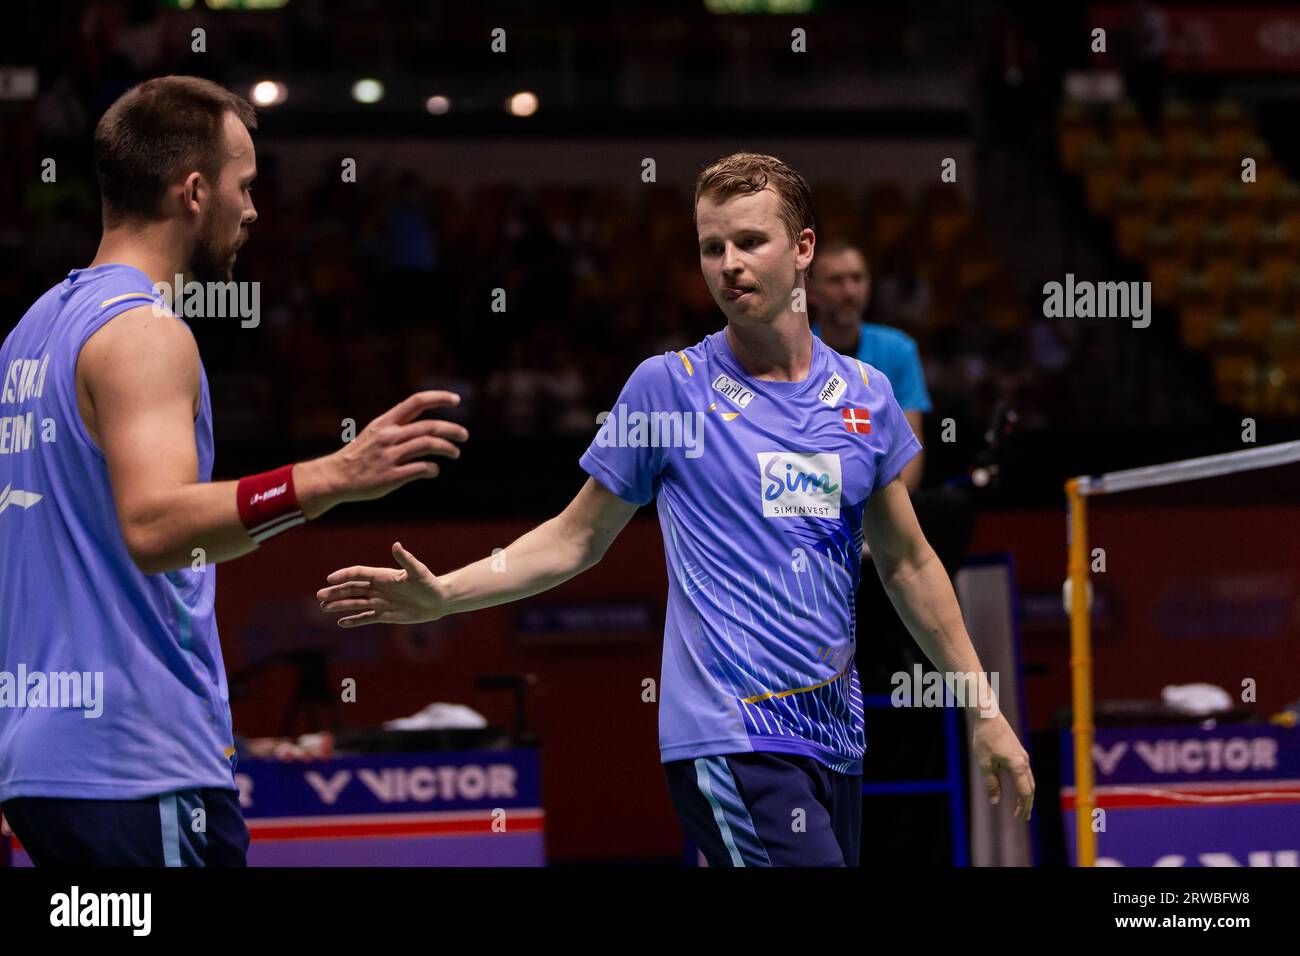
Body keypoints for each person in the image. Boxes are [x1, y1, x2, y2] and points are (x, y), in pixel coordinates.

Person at [317, 152, 1033, 867]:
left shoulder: (866, 395)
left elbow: (908, 563)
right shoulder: (668, 390)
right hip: (731, 736)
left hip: (834, 736)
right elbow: (575, 538)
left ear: (803, 248)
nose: (728, 264)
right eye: (710, 247)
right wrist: (445, 593)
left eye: (750, 241)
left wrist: (983, 707)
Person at [0, 76, 468, 866]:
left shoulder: (29, 334)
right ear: (193, 191)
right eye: (244, 186)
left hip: (45, 770)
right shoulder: (146, 334)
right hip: (137, 768)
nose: (253, 210)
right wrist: (334, 477)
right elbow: (155, 527)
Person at [809, 240, 929, 492]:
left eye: (857, 278)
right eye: (835, 280)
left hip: (882, 503)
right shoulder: (793, 352)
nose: (849, 291)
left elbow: (911, 449)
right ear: (811, 290)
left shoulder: (899, 349)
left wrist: (886, 520)